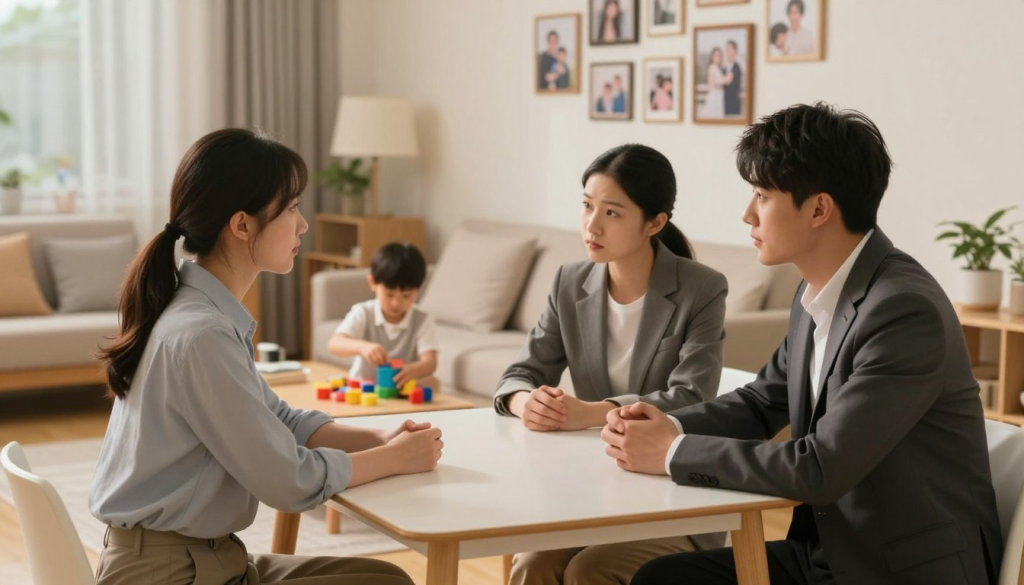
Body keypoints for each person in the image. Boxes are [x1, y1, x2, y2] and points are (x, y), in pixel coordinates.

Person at [601, 103, 1003, 585]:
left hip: (896, 569)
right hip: (828, 553)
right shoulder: (818, 290)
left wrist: (671, 451)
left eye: (762, 195)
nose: (747, 214)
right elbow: (761, 402)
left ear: (818, 209)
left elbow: (820, 465)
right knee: (662, 579)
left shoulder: (903, 312)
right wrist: (660, 423)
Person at [89, 129, 444, 585]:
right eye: (292, 208)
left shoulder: (202, 315)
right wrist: (395, 459)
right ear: (242, 225)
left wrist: (380, 435)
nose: (303, 225)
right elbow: (287, 480)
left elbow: (279, 419)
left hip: (206, 561)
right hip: (171, 574)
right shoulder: (202, 335)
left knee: (382, 577)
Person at [494, 144, 729, 585]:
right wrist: (524, 402)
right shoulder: (569, 282)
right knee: (532, 564)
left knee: (591, 569)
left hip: (673, 493)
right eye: (587, 206)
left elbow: (691, 396)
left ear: (655, 223)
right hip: (590, 488)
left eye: (612, 213)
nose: (591, 224)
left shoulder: (702, 288)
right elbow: (522, 372)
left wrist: (590, 411)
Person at [328, 242, 439, 388]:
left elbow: (430, 363)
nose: (396, 303)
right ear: (372, 283)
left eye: (406, 296)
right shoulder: (364, 313)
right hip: (364, 390)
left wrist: (415, 370)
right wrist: (362, 347)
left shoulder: (422, 320)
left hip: (400, 391)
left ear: (418, 289)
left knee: (433, 384)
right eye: (389, 294)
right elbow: (334, 344)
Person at [701, 47, 726, 119]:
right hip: (714, 95)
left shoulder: (719, 68)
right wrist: (725, 79)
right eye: (715, 55)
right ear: (712, 57)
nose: (717, 58)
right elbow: (714, 82)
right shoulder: (712, 67)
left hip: (719, 95)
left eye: (719, 56)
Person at [723, 40, 743, 117]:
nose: (728, 52)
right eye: (727, 49)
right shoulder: (723, 67)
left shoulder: (737, 67)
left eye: (730, 49)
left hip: (733, 102)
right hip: (723, 103)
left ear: (735, 51)